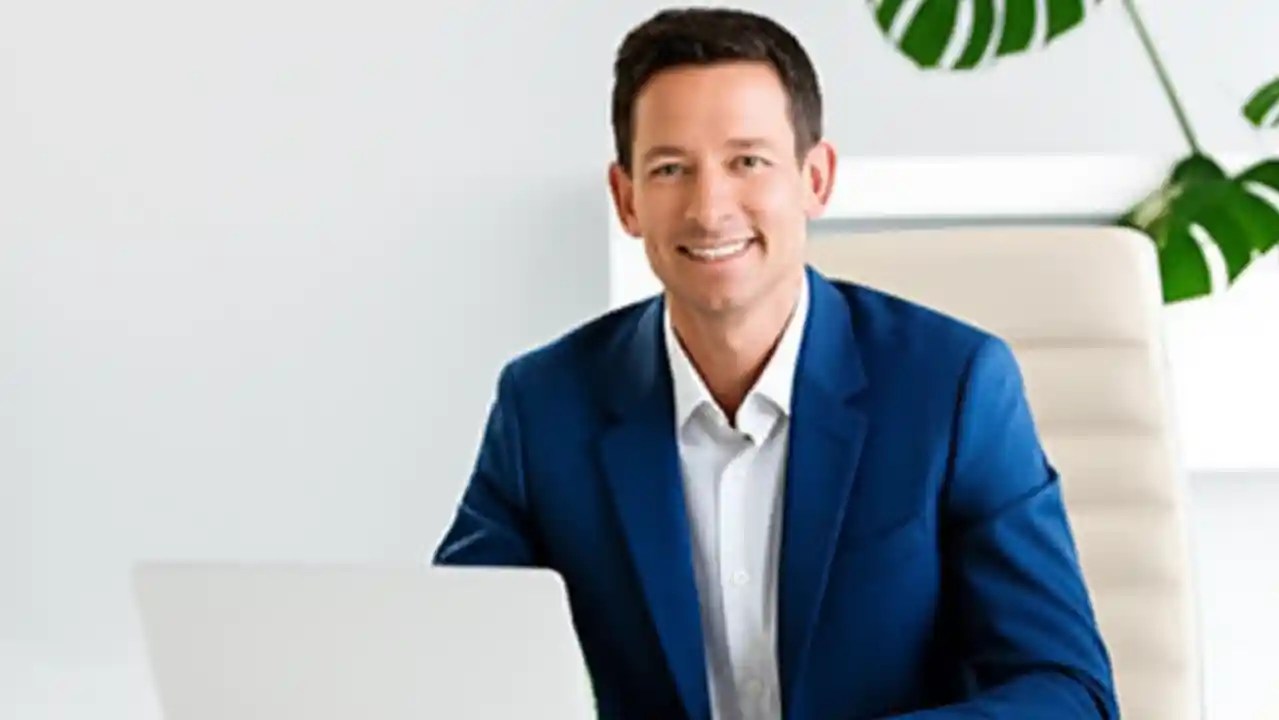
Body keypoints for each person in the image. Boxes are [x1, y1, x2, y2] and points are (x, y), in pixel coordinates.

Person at [433, 7, 1118, 719]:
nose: (709, 207)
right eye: (671, 169)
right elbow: (453, 669)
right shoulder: (544, 406)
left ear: (815, 179)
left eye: (747, 162)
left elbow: (1070, 694)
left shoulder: (953, 388)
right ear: (627, 199)